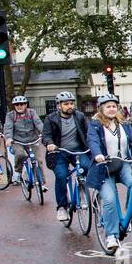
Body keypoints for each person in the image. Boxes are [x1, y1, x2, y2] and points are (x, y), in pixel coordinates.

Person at [87, 94, 132, 253]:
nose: (111, 109)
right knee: (110, 199)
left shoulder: (124, 123)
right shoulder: (95, 125)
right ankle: (111, 235)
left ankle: (129, 211)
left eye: (114, 106)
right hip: (104, 167)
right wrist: (97, 155)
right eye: (108, 106)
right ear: (101, 109)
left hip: (124, 163)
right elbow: (92, 141)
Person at [42, 91, 90, 223]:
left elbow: (88, 132)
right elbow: (46, 135)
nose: (70, 106)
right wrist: (50, 143)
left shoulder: (79, 116)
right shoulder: (51, 118)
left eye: (71, 103)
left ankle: (81, 189)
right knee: (62, 176)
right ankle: (62, 207)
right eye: (66, 104)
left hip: (78, 151)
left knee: (88, 167)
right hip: (59, 152)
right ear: (59, 106)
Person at [4, 94, 43, 183]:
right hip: (17, 141)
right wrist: (9, 138)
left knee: (38, 161)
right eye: (17, 105)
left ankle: (42, 183)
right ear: (14, 106)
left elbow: (39, 123)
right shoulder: (10, 115)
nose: (19, 106)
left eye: (21, 104)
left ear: (25, 105)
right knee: (21, 154)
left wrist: (45, 134)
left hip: (32, 140)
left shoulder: (31, 112)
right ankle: (18, 172)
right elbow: (8, 127)